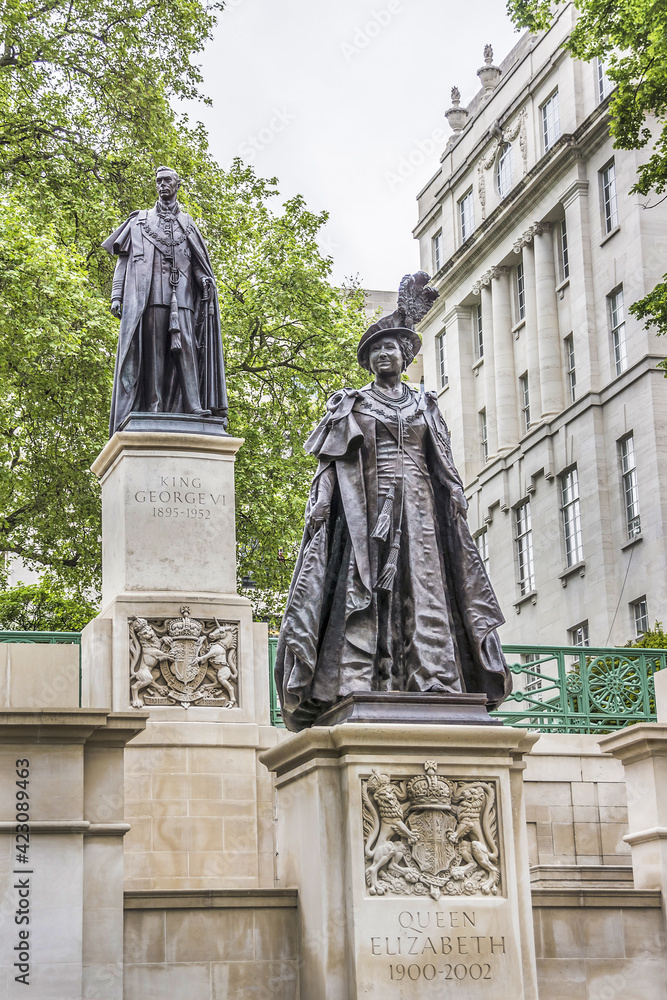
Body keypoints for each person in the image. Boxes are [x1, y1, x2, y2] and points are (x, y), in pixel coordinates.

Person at [275, 272, 511, 731]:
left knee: (425, 588)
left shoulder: (424, 404)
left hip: (421, 508)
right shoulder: (352, 403)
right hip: (367, 509)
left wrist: (455, 492)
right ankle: (364, 679)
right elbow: (331, 461)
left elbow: (440, 457)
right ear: (368, 361)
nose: (384, 354)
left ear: (406, 355)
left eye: (391, 348)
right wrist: (321, 502)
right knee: (366, 589)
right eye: (376, 350)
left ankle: (434, 678)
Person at [103, 166, 228, 435]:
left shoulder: (188, 224)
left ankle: (194, 405)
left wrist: (204, 280)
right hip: (150, 298)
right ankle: (154, 406)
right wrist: (116, 295)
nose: (162, 185)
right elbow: (123, 262)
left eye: (167, 180)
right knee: (154, 354)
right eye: (158, 181)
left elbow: (197, 264)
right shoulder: (139, 221)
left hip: (183, 299)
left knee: (187, 350)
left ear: (177, 185)